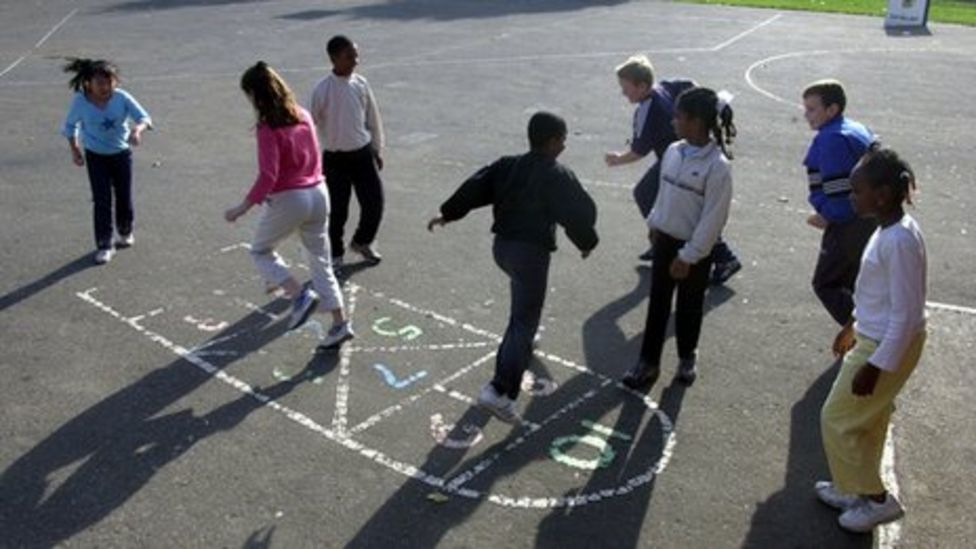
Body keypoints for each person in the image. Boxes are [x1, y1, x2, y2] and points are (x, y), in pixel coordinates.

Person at [428, 112, 598, 423]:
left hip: (502, 249)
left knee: (523, 308)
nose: (565, 145)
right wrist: (587, 242)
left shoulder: (508, 164)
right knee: (523, 320)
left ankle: (522, 342)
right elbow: (578, 212)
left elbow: (475, 187)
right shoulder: (557, 174)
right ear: (551, 142)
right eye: (562, 139)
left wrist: (448, 213)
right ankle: (498, 391)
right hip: (529, 254)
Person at [816, 146, 926, 533]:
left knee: (836, 418)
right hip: (872, 337)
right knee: (868, 420)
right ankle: (853, 488)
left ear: (880, 194)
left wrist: (876, 367)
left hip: (883, 347)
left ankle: (877, 500)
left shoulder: (900, 241)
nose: (851, 196)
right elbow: (877, 295)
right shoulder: (889, 229)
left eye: (857, 190)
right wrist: (852, 324)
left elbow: (907, 315)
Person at [225, 61, 353, 349]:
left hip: (290, 197)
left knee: (260, 250)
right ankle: (340, 322)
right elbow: (315, 156)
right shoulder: (303, 115)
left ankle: (298, 295)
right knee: (321, 261)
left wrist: (242, 207)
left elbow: (268, 175)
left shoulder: (268, 127)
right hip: (319, 192)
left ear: (256, 96)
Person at [622, 87, 734, 389]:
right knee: (657, 303)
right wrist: (654, 222)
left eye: (679, 117)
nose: (674, 121)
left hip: (693, 249)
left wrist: (689, 256)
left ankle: (687, 356)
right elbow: (664, 193)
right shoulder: (674, 152)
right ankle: (648, 363)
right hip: (665, 240)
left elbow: (713, 219)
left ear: (696, 122)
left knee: (689, 305)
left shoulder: (718, 167)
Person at [605, 55, 741, 284]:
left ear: (642, 86)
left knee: (653, 197)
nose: (623, 93)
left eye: (625, 88)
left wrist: (617, 159)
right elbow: (688, 84)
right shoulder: (663, 86)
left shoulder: (647, 110)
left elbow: (639, 151)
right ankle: (661, 242)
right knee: (654, 197)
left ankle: (723, 257)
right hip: (680, 156)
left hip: (676, 160)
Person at [61, 58, 152, 265]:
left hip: (121, 155)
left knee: (123, 196)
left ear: (115, 82)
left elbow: (144, 117)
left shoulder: (122, 97)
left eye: (109, 83)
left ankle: (125, 229)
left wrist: (137, 130)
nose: (105, 88)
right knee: (101, 200)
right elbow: (70, 126)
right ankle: (104, 244)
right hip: (95, 157)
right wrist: (75, 150)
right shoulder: (80, 101)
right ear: (88, 83)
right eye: (100, 83)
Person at [801, 79, 877, 325]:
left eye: (812, 109)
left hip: (849, 225)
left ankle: (862, 334)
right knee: (855, 280)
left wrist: (828, 216)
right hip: (870, 219)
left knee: (827, 283)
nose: (806, 115)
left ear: (831, 110)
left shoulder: (831, 140)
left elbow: (840, 192)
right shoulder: (854, 128)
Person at [310, 34, 385, 267]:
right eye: (349, 56)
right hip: (335, 159)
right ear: (334, 58)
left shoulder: (361, 83)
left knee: (375, 203)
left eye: (356, 54)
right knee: (337, 211)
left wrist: (377, 148)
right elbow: (309, 128)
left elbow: (373, 118)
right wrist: (309, 163)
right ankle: (335, 254)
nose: (356, 60)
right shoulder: (322, 90)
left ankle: (362, 242)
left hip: (362, 154)